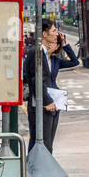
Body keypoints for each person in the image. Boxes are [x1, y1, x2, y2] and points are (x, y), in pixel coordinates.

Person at [22, 21, 61, 152]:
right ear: (44, 34)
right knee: (43, 143)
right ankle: (39, 170)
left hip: (41, 103)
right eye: (54, 31)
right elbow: (36, 79)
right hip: (41, 105)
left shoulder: (40, 51)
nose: (56, 34)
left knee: (42, 142)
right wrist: (47, 101)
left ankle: (36, 170)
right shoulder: (36, 52)